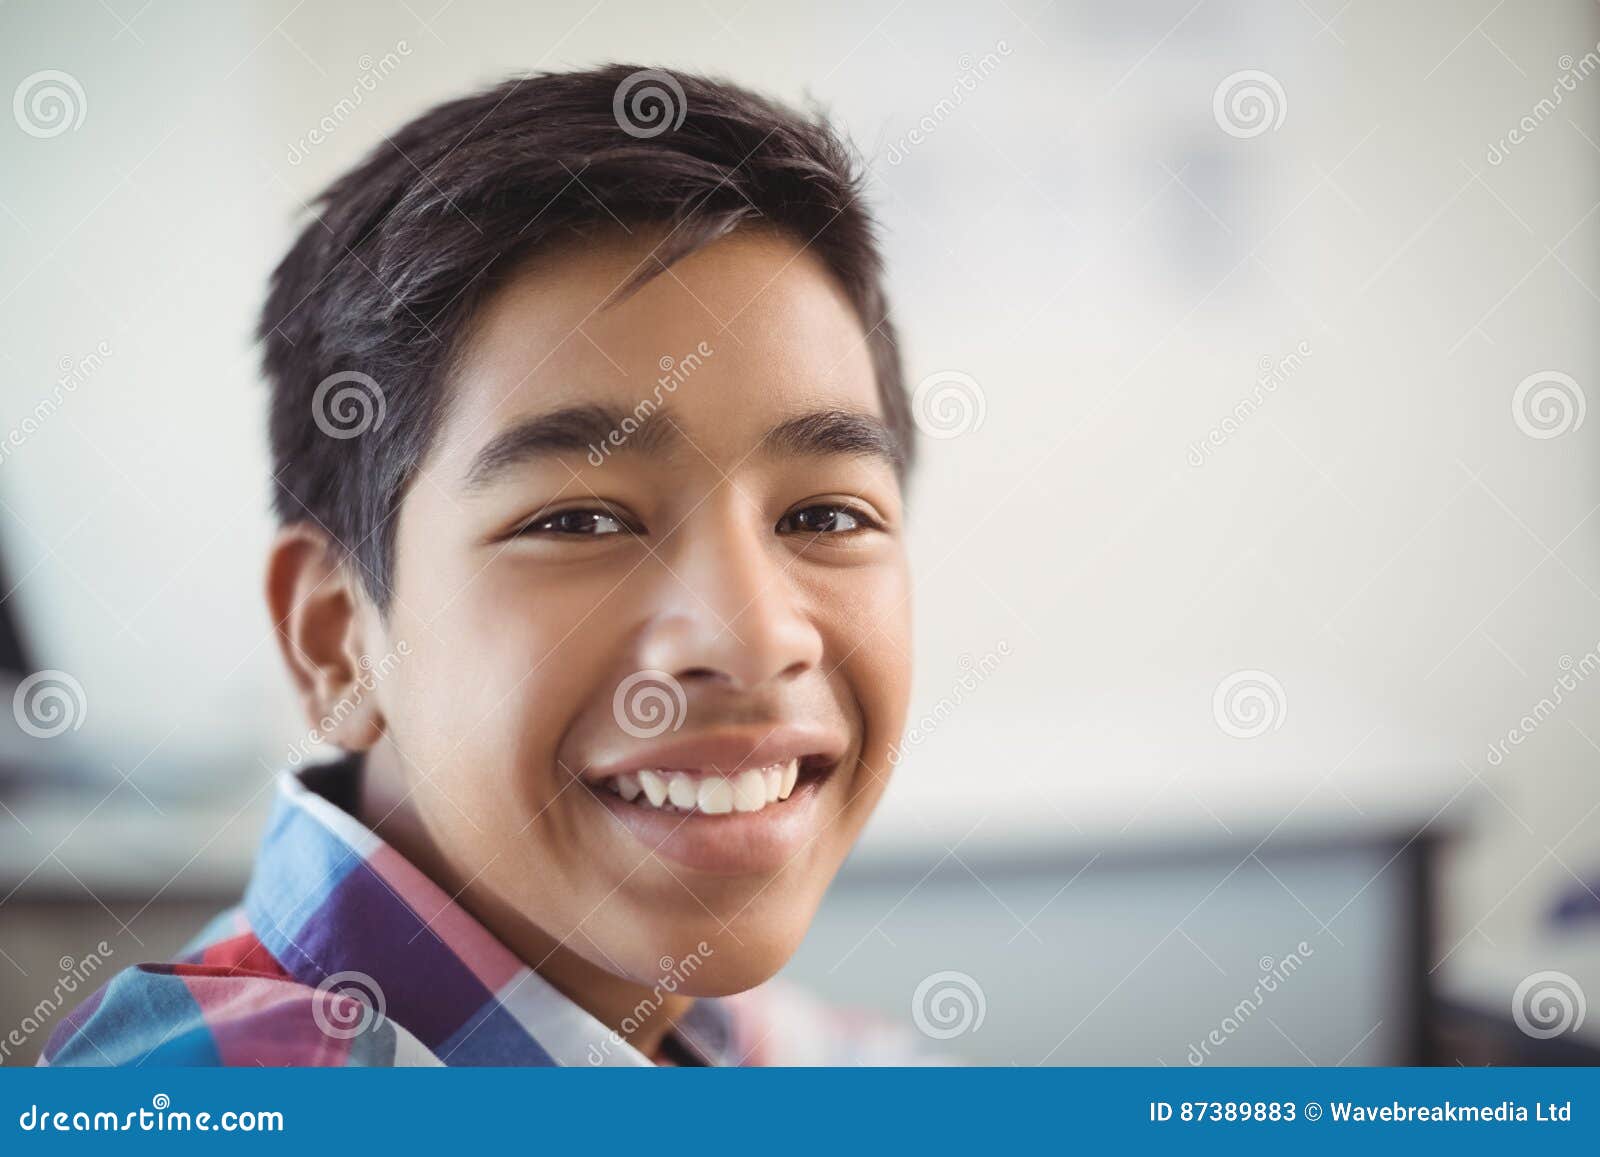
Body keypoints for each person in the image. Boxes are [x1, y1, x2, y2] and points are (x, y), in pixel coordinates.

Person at [42, 62, 925, 1066]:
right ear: (337, 639)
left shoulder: (770, 1049)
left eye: (823, 512)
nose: (755, 636)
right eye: (583, 520)